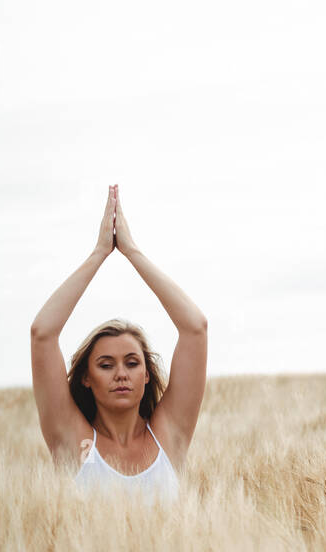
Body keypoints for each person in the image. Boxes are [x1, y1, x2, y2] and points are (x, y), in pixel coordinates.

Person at [30, 185, 207, 503]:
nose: (121, 373)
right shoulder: (76, 444)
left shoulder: (168, 436)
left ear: (147, 374)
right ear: (86, 377)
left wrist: (132, 251)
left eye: (132, 362)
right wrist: (100, 252)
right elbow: (43, 333)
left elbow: (195, 328)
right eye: (106, 365)